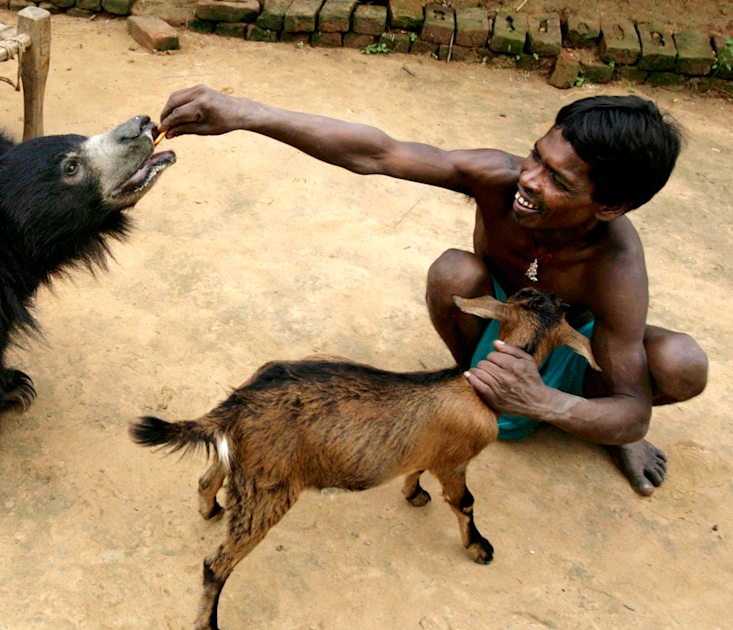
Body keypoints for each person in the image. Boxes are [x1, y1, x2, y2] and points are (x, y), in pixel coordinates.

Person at [158, 85, 708, 496]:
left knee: (682, 363)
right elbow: (378, 153)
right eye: (538, 155)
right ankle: (472, 383)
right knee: (453, 273)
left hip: (570, 342)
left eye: (559, 181)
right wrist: (246, 113)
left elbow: (636, 410)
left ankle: (580, 417)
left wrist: (548, 401)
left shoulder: (615, 266)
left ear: (609, 206)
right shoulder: (500, 177)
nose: (530, 179)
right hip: (499, 314)